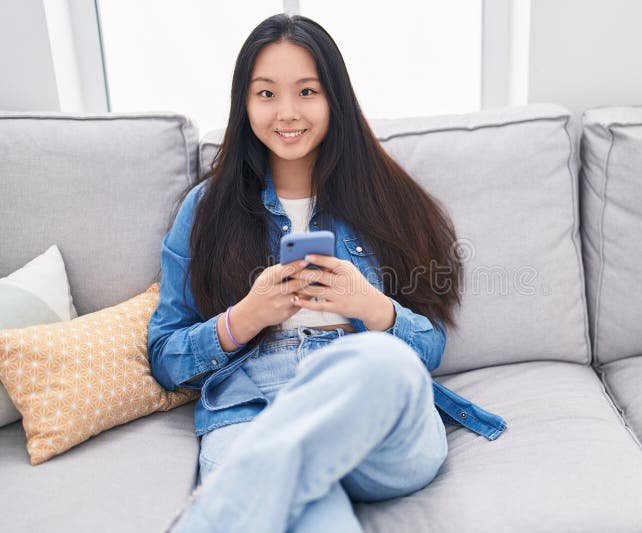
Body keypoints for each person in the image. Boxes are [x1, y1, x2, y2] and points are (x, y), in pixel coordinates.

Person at [147, 13, 507, 533]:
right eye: (266, 94)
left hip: (365, 410)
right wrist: (244, 319)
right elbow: (164, 356)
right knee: (311, 508)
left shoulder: (385, 199)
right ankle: (273, 476)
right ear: (243, 103)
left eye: (307, 91)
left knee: (386, 363)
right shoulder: (204, 210)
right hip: (252, 410)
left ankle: (236, 495)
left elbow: (427, 351)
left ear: (334, 98)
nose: (287, 112)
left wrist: (368, 306)